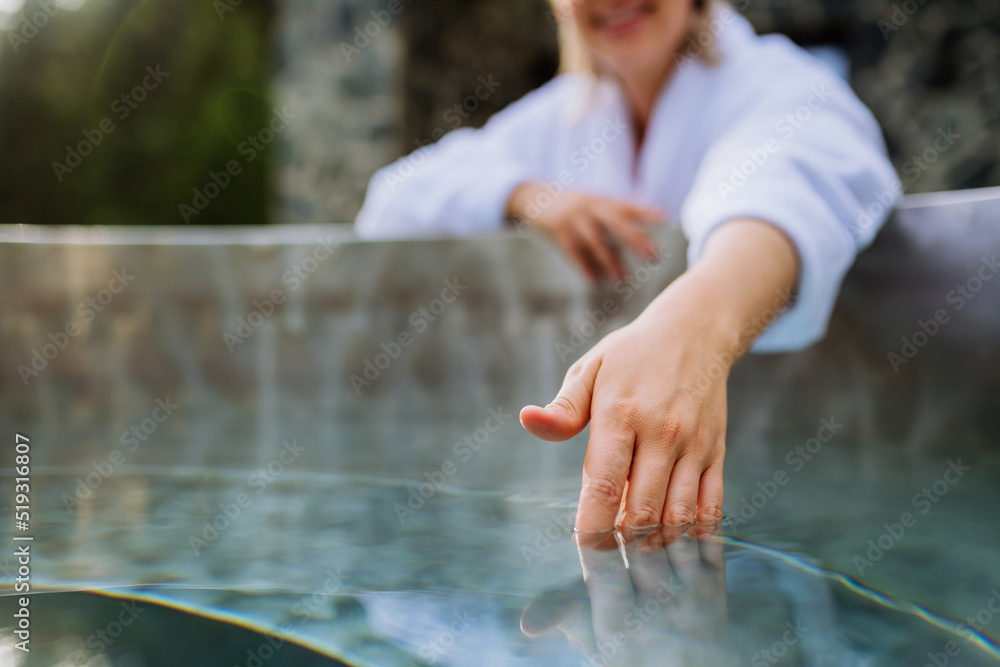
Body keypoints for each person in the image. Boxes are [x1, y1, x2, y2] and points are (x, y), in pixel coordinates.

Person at [355, 0, 899, 533]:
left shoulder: (780, 85)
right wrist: (522, 196)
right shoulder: (566, 114)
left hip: (794, 486)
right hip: (592, 488)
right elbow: (392, 202)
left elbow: (788, 181)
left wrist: (692, 335)